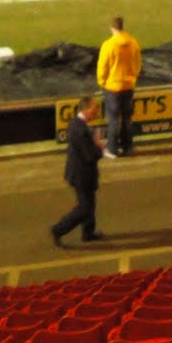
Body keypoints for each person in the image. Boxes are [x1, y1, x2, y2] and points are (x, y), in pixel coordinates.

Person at [49, 98, 105, 245]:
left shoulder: (77, 124)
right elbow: (90, 155)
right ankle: (58, 229)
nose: (96, 112)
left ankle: (88, 232)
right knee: (85, 207)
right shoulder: (81, 130)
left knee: (90, 203)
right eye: (94, 109)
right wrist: (100, 147)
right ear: (86, 109)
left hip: (82, 173)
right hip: (82, 175)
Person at [96, 15, 142, 157]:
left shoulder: (108, 45)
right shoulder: (133, 42)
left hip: (113, 87)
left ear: (111, 27)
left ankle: (112, 149)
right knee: (127, 118)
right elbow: (137, 63)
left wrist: (102, 82)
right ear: (122, 26)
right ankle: (128, 148)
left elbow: (102, 67)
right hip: (128, 86)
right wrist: (132, 78)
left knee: (113, 119)